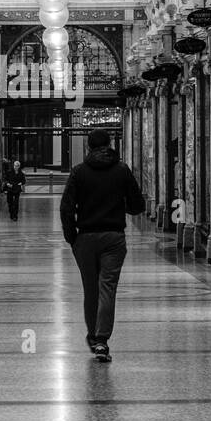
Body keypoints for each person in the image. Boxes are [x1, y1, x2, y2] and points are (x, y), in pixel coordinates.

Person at [60, 128, 145, 362]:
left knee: (91, 288)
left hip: (85, 238)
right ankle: (101, 340)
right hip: (113, 238)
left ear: (88, 147)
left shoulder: (79, 172)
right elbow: (137, 205)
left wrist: (72, 237)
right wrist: (119, 206)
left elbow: (66, 208)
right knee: (107, 288)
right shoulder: (122, 171)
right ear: (109, 145)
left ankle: (92, 334)